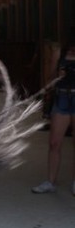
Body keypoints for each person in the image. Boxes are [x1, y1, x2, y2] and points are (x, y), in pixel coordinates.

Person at [31, 33, 75, 196]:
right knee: (54, 142)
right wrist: (59, 75)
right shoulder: (60, 53)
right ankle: (50, 181)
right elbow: (50, 78)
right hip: (62, 97)